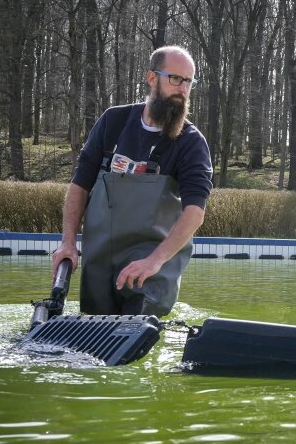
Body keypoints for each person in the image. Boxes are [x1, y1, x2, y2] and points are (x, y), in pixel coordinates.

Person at [51, 45, 213, 317]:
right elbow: (79, 186)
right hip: (99, 264)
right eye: (175, 79)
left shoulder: (191, 142)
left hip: (150, 269)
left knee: (137, 323)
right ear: (152, 78)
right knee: (92, 339)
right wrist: (68, 243)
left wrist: (154, 261)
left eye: (188, 82)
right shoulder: (113, 122)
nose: (182, 89)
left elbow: (195, 213)